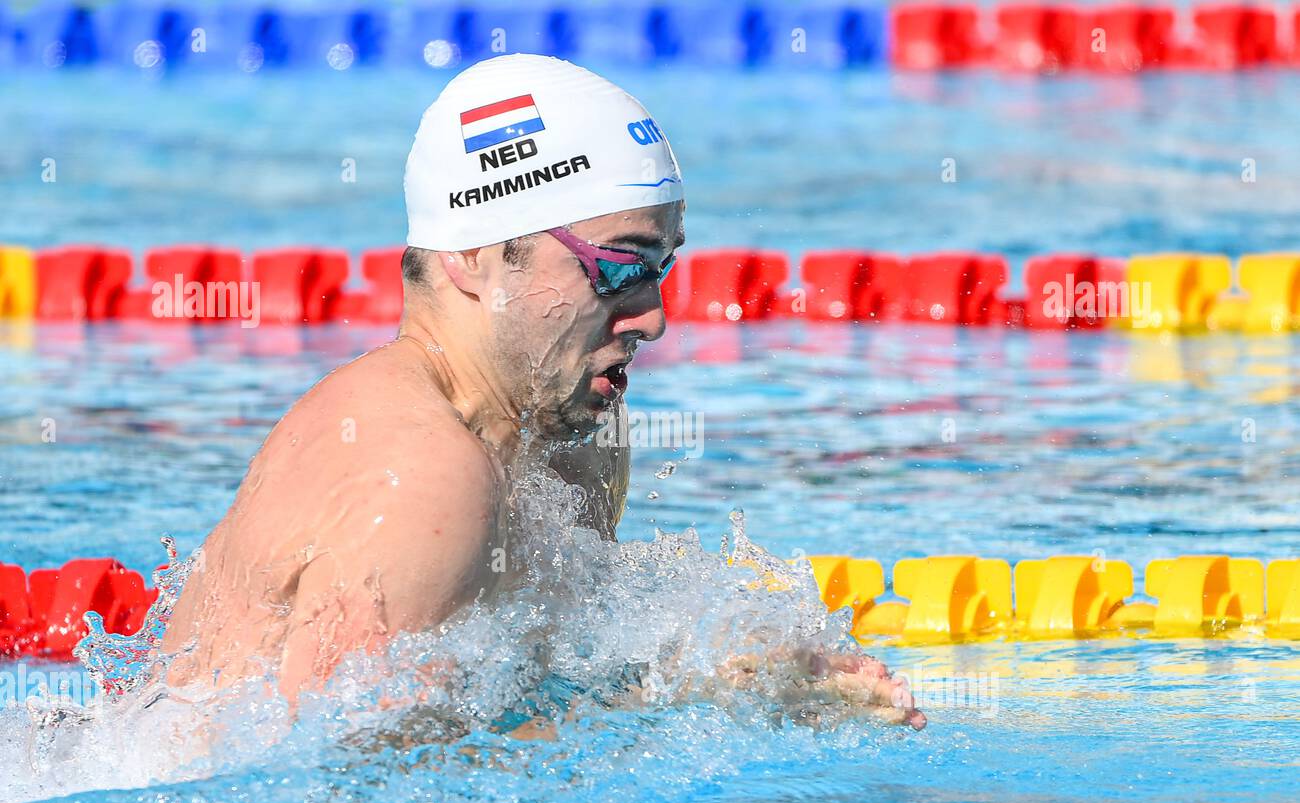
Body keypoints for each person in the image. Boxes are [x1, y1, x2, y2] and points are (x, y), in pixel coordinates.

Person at [160, 54, 924, 730]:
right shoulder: (424, 476)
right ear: (473, 256)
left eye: (662, 268)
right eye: (619, 268)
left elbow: (545, 681)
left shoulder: (576, 435)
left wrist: (751, 674)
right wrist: (704, 700)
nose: (654, 318)